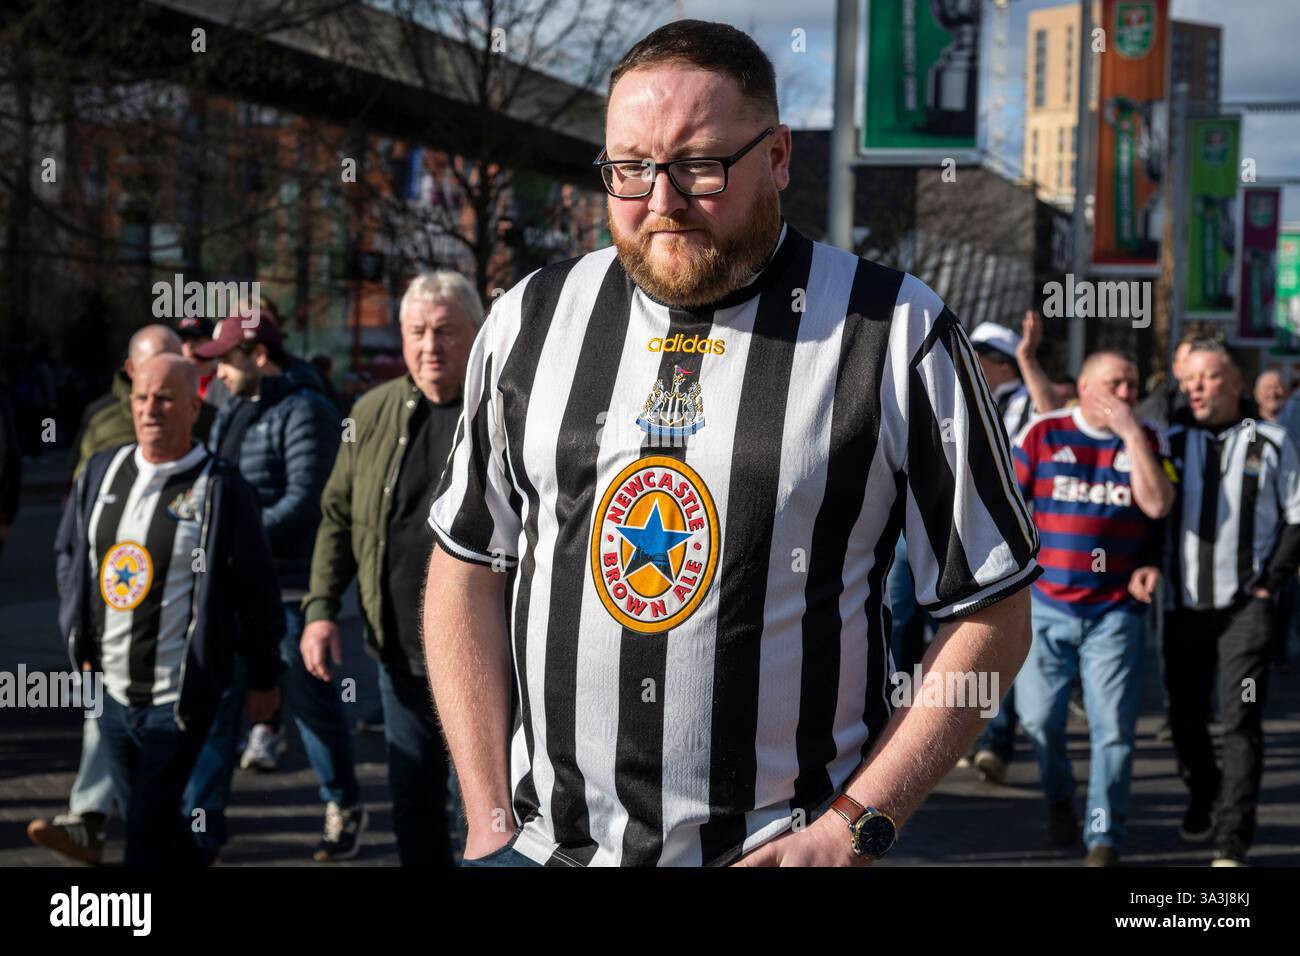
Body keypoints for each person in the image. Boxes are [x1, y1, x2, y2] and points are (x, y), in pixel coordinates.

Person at [423, 20, 1039, 868]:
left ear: (779, 156)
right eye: (630, 168)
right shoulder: (527, 319)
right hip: (542, 851)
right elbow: (467, 565)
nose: (661, 201)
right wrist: (488, 811)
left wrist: (856, 827)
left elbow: (993, 610)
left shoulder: (895, 331)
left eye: (699, 165)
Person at [53, 353, 283, 866]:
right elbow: (69, 553)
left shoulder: (220, 487)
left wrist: (265, 675)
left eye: (164, 399)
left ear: (192, 408)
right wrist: (78, 637)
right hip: (111, 694)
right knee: (152, 821)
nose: (150, 409)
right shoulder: (101, 472)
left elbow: (257, 591)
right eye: (141, 397)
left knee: (143, 834)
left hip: (176, 699)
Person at [302, 271, 482, 866]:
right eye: (417, 332)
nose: (430, 346)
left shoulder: (505, 406)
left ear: (477, 333)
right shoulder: (372, 411)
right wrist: (322, 610)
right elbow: (336, 514)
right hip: (400, 657)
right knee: (413, 801)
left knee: (483, 814)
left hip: (485, 660)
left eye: (446, 332)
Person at [184, 308, 358, 862]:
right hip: (230, 594)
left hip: (287, 594)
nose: (221, 376)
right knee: (216, 710)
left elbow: (308, 504)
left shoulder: (307, 411)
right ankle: (200, 830)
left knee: (312, 709)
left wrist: (237, 537)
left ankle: (343, 804)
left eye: (228, 363)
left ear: (258, 356)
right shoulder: (232, 406)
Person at [28, 325, 208, 864]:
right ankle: (99, 822)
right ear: (131, 377)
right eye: (145, 393)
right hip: (112, 632)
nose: (154, 408)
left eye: (171, 388)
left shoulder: (208, 457)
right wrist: (78, 613)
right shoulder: (103, 431)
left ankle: (184, 833)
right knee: (139, 794)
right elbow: (73, 531)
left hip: (175, 656)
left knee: (157, 805)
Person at [1011, 351, 1174, 866]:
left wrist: (1129, 436)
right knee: (1038, 721)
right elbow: (1006, 504)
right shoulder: (1043, 433)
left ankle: (1104, 835)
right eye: (1114, 385)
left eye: (1131, 385)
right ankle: (1059, 796)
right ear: (1083, 386)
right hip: (1047, 603)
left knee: (1114, 731)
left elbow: (1159, 505)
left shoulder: (1148, 438)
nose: (1125, 395)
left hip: (1114, 610)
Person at [1165, 340, 1300, 866]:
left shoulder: (1271, 442)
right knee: (1183, 715)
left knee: (1240, 716)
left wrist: (1270, 581)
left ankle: (1232, 835)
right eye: (1189, 377)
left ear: (1236, 384)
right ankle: (1204, 790)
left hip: (1245, 609)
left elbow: (1297, 513)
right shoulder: (1171, 441)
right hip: (1185, 608)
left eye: (1208, 376)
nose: (1194, 386)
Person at [965, 312, 1064, 784]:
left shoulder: (1025, 403)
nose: (972, 362)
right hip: (955, 534)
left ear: (1003, 364)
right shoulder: (959, 394)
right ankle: (974, 736)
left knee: (996, 638)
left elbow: (1053, 421)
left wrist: (1029, 359)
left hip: (1011, 539)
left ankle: (994, 743)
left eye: (981, 357)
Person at [71, 325, 215, 478]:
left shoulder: (210, 418)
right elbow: (81, 483)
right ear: (131, 368)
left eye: (176, 360)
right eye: (156, 361)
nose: (149, 410)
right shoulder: (100, 418)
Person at [175, 315, 229, 408]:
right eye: (184, 340)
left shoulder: (227, 381)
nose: (189, 346)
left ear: (212, 342)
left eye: (195, 339)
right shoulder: (173, 380)